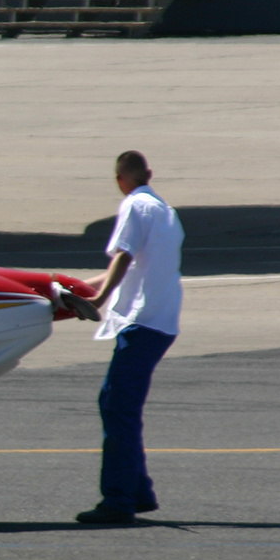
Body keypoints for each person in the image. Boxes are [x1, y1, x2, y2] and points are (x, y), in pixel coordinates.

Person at [72, 151, 183, 524]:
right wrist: (75, 288)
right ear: (148, 173)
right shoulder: (167, 212)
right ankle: (138, 491)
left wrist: (98, 300)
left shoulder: (134, 205)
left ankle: (119, 500)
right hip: (162, 323)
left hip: (142, 323)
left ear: (120, 179)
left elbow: (122, 257)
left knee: (116, 405)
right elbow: (133, 266)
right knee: (122, 406)